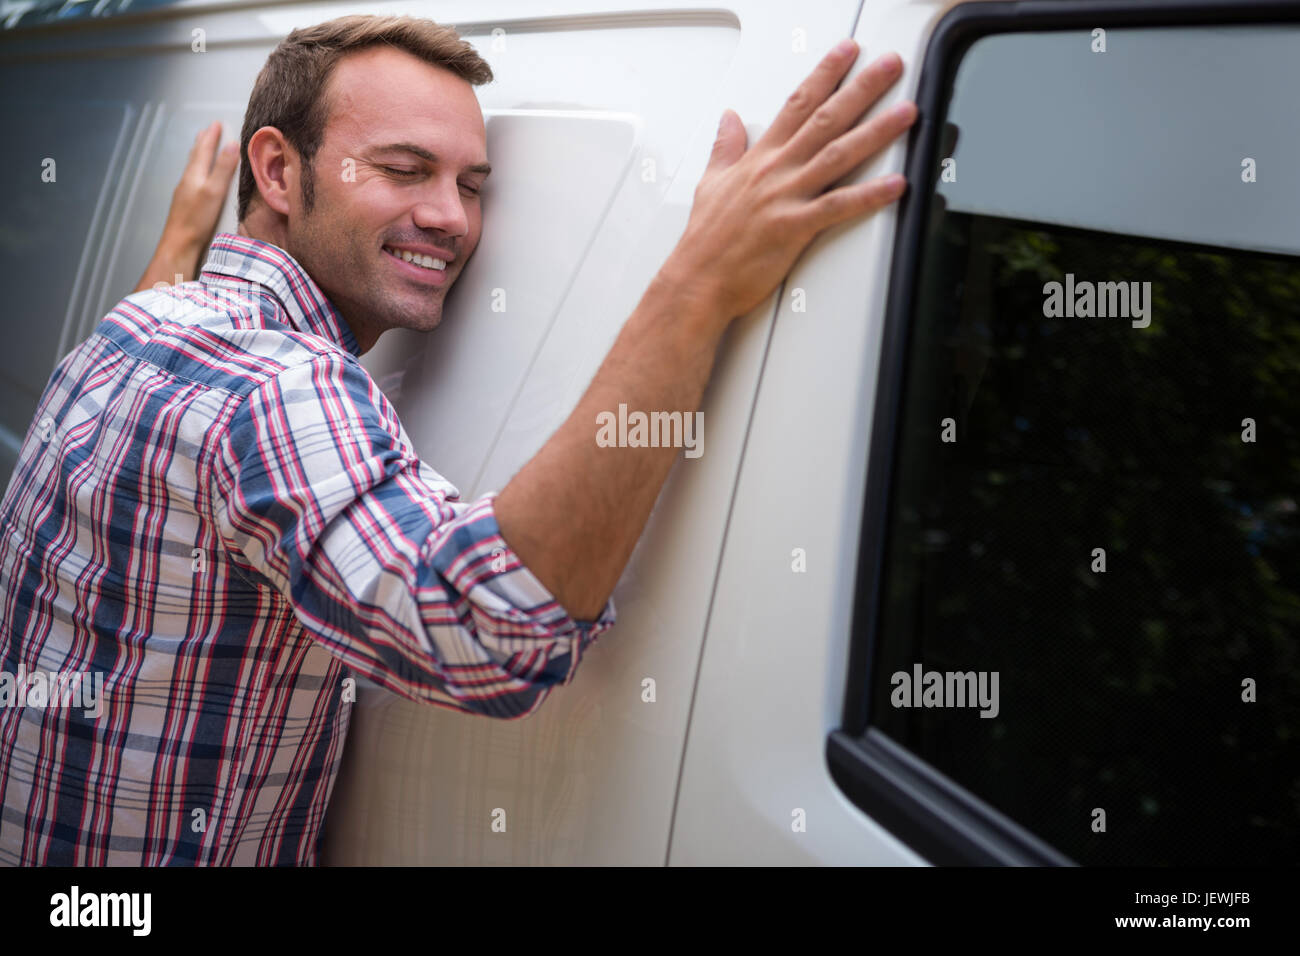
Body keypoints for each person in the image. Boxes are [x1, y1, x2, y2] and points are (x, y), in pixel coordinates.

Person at [0, 15, 916, 865]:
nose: (452, 218)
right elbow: (487, 627)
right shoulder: (271, 384)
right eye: (404, 170)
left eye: (472, 185)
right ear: (277, 173)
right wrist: (700, 282)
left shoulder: (140, 323)